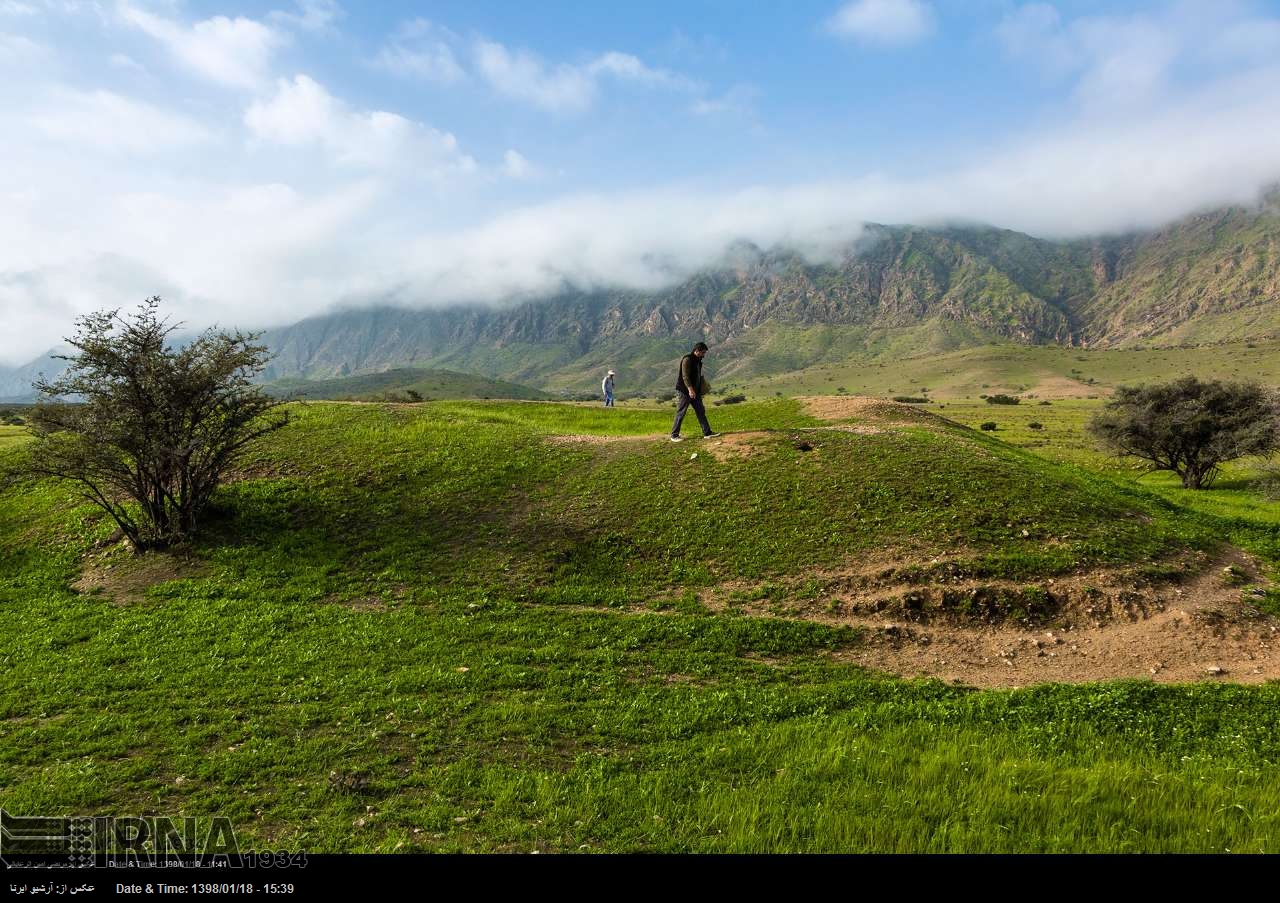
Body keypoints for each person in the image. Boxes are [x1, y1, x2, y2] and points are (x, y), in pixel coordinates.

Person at [670, 342, 720, 442]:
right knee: (681, 412)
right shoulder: (687, 359)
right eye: (703, 353)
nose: (704, 355)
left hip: (695, 391)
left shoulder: (698, 360)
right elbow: (685, 376)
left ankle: (707, 433)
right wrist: (690, 390)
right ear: (697, 351)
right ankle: (674, 435)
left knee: (701, 411)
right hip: (685, 391)